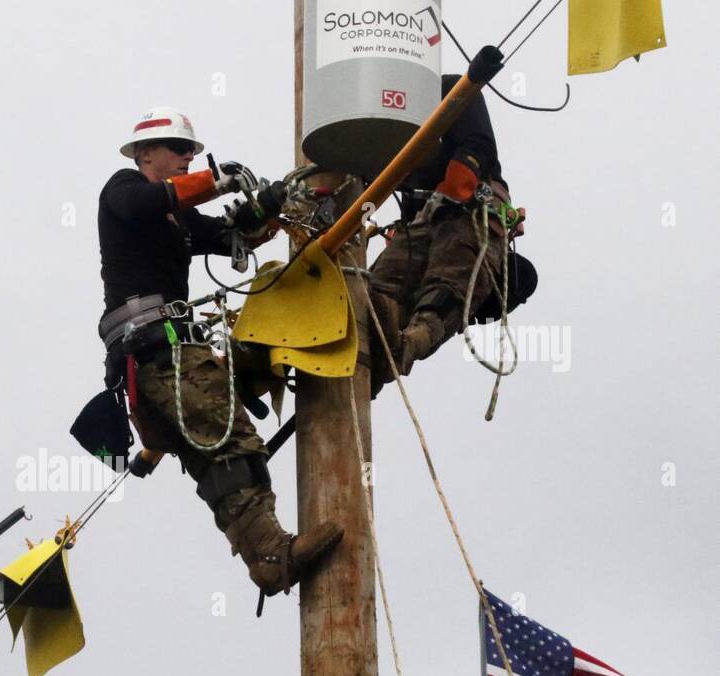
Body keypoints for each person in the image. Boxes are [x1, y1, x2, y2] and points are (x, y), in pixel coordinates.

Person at [97, 106, 342, 598]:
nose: (188, 157)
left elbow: (231, 235)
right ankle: (272, 552)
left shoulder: (177, 218)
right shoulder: (122, 189)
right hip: (155, 351)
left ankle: (267, 557)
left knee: (220, 462)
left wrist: (267, 206)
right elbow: (149, 203)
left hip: (163, 359)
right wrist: (218, 179)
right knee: (232, 440)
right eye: (179, 150)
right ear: (146, 153)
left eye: (192, 151)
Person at [368, 74, 526, 388]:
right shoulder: (394, 121)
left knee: (442, 292)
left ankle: (401, 350)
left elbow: (478, 146)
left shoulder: (453, 90)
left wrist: (459, 181)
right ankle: (371, 356)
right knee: (376, 293)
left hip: (470, 205)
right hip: (437, 211)